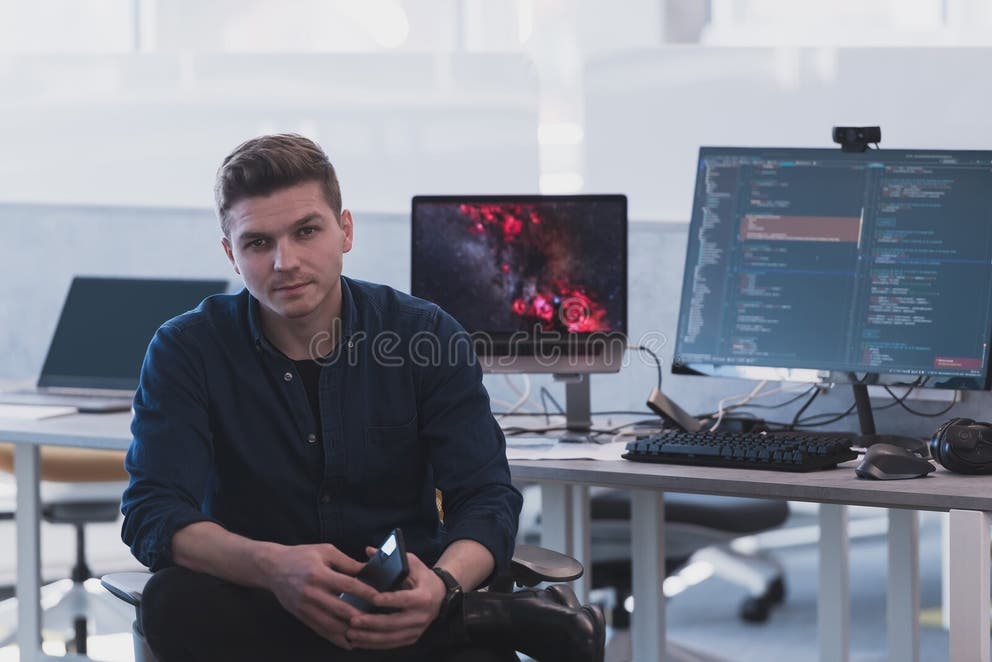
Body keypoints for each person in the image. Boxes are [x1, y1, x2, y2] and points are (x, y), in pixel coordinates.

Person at [120, 133, 603, 662]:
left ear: (344, 230)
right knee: (171, 603)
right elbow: (153, 513)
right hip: (264, 600)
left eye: (307, 231)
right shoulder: (186, 349)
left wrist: (442, 586)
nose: (286, 261)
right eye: (258, 243)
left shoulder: (425, 335)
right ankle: (487, 620)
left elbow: (486, 499)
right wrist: (274, 567)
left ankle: (455, 614)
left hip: (407, 602)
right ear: (231, 255)